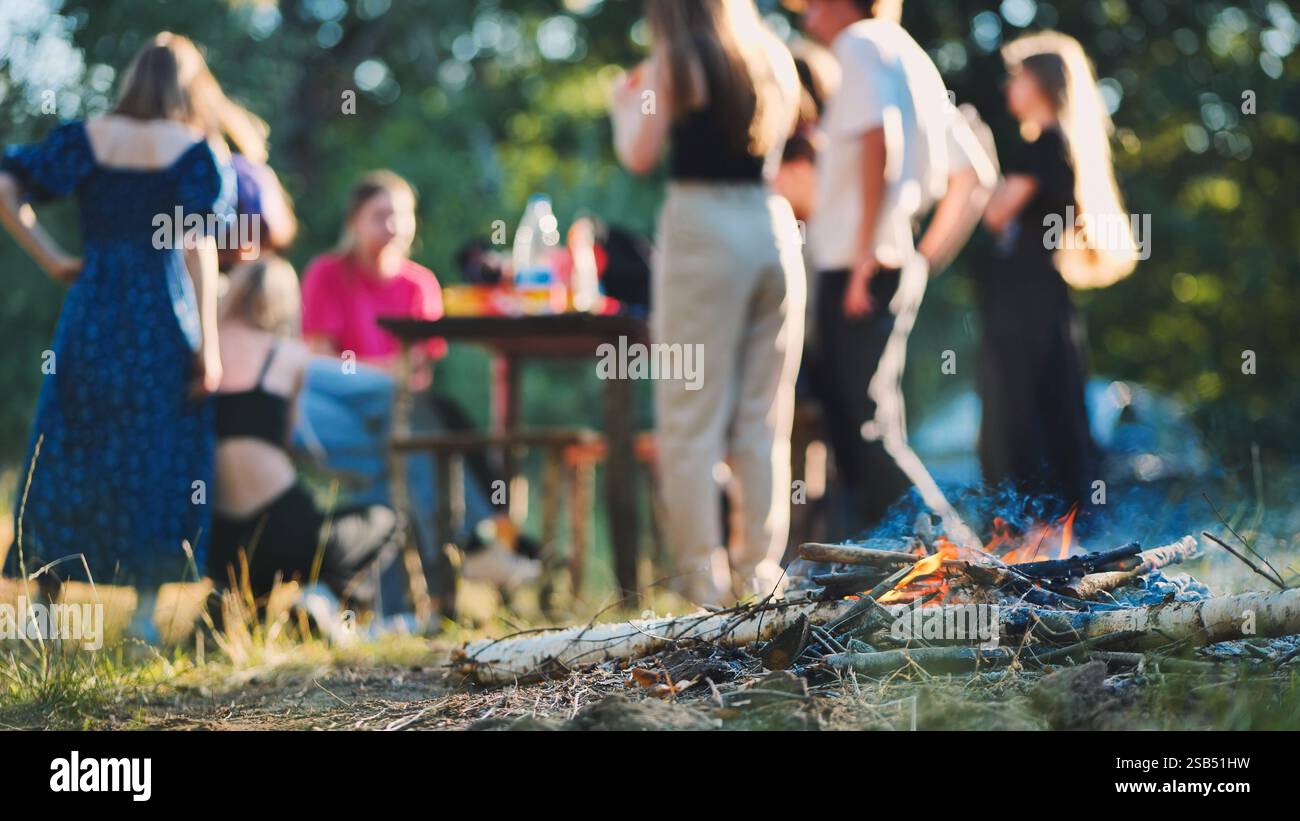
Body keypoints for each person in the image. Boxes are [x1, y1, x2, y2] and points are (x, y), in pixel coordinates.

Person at [0, 33, 237, 590]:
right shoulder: (197, 151)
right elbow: (197, 246)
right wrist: (209, 346)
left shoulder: (85, 138)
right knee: (156, 449)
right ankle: (149, 604)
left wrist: (55, 261)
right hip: (160, 315)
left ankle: (46, 599)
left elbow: (6, 185)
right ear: (189, 85)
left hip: (92, 312)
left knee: (68, 444)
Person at [611, 0, 806, 605]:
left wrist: (623, 105)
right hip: (772, 227)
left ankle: (702, 586)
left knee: (689, 418)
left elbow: (639, 154)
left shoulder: (674, 59)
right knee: (763, 419)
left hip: (703, 229)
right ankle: (760, 574)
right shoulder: (771, 52)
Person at [793, 0, 994, 544]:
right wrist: (925, 258)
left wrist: (861, 263)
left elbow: (881, 142)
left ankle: (955, 555)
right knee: (873, 424)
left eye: (811, 7)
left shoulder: (860, 44)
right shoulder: (911, 57)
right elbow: (975, 174)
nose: (807, 21)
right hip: (888, 260)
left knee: (864, 430)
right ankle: (904, 565)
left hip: (856, 268)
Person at [298, 171, 541, 591]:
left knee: (400, 460)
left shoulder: (419, 283)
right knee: (413, 431)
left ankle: (399, 606)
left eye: (401, 216)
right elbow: (321, 362)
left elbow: (417, 371)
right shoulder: (327, 273)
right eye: (380, 215)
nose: (392, 227)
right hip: (336, 407)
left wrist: (389, 374)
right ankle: (475, 543)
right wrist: (387, 372)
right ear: (354, 220)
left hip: (397, 412)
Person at [977, 31, 1137, 509]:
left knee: (1021, 412)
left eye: (1016, 78)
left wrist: (974, 148)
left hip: (1024, 302)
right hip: (1043, 298)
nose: (1009, 89)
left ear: (1041, 84)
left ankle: (1031, 520)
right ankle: (1060, 520)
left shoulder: (1044, 146)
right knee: (1054, 406)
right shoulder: (1062, 145)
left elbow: (994, 214)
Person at [209, 256, 400, 611]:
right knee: (384, 520)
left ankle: (257, 609)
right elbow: (296, 442)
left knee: (242, 609)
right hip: (283, 528)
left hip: (217, 539)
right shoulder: (289, 355)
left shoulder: (202, 350)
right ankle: (322, 603)